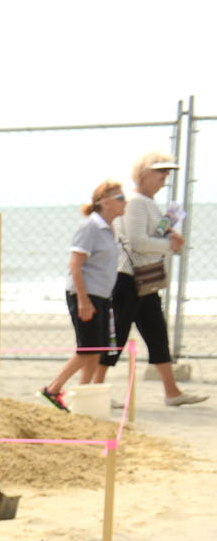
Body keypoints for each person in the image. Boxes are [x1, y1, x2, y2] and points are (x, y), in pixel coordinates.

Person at [116, 151, 205, 408]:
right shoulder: (137, 202)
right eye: (160, 171)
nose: (165, 177)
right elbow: (138, 243)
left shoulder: (145, 202)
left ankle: (172, 391)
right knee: (118, 336)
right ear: (143, 173)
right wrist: (169, 244)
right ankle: (93, 387)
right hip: (130, 280)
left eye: (167, 172)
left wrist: (167, 230)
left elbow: (148, 237)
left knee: (156, 334)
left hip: (144, 281)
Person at [42, 182, 126, 410]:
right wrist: (83, 299)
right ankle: (53, 388)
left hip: (101, 295)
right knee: (87, 349)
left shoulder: (109, 229)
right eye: (120, 197)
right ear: (104, 202)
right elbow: (75, 264)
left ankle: (83, 394)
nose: (124, 201)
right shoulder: (90, 227)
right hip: (86, 294)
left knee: (97, 350)